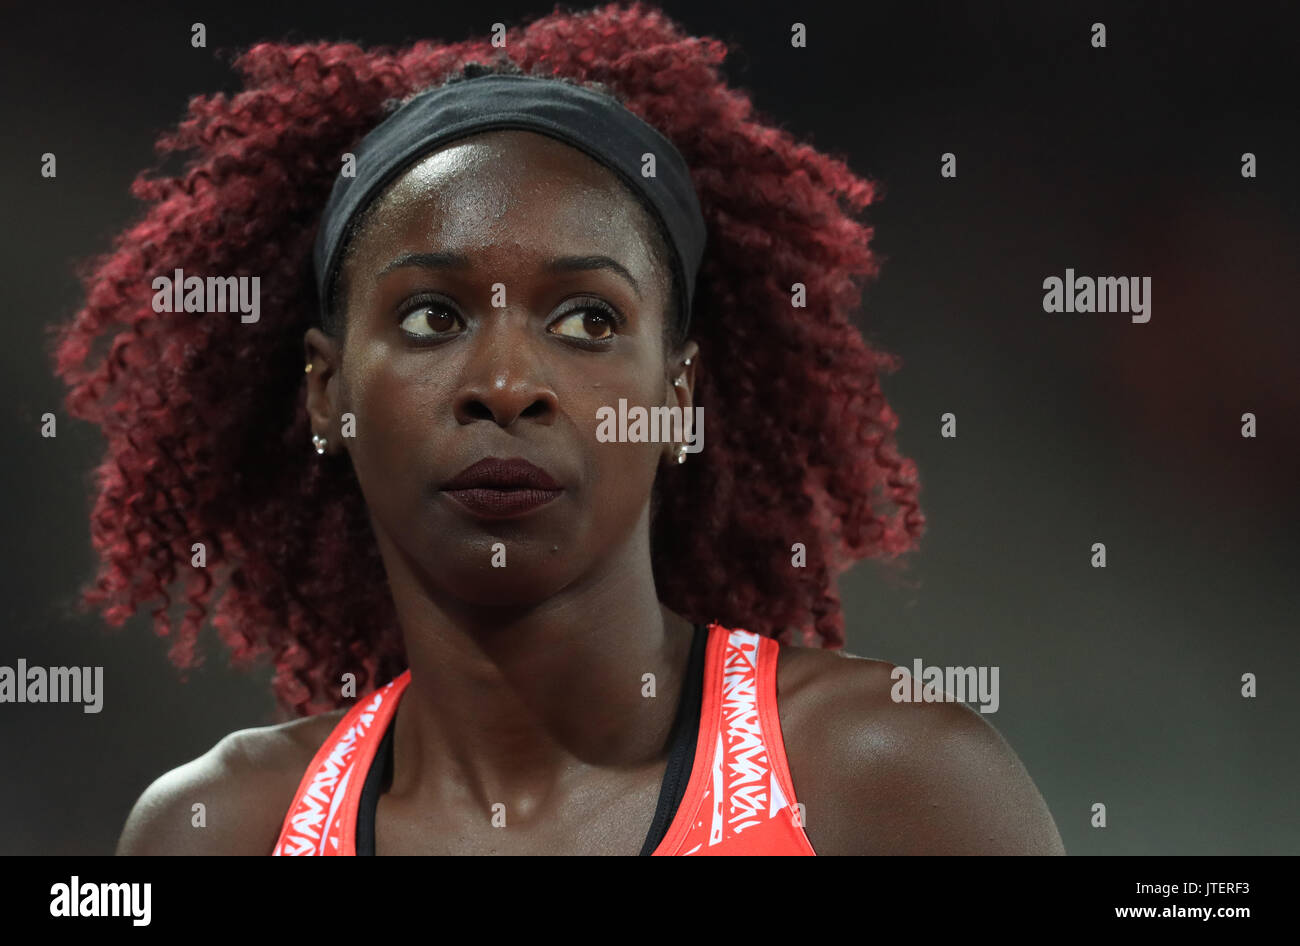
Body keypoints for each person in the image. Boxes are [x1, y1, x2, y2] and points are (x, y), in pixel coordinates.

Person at [55, 4, 1063, 855]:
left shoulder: (883, 780)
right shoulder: (216, 827)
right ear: (327, 392)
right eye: (430, 318)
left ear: (678, 397)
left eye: (587, 320)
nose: (504, 383)